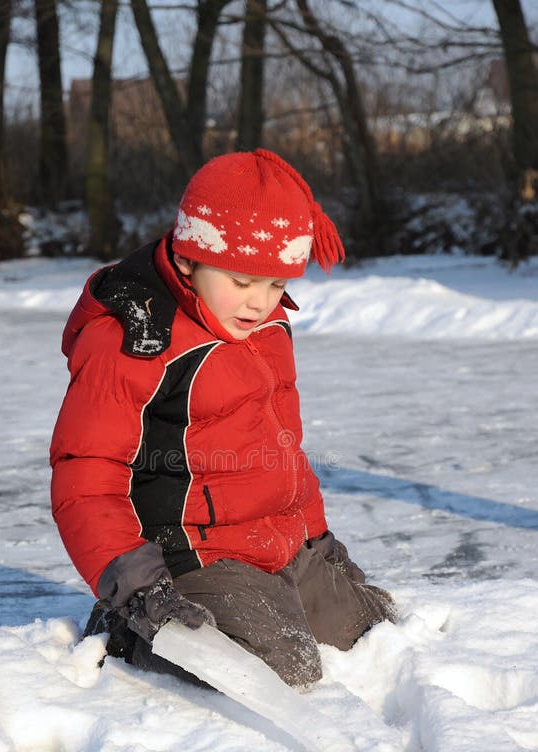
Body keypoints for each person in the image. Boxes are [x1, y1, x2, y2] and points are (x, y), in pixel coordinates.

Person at [50, 148, 396, 688]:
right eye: (242, 282)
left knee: (375, 634)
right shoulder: (135, 339)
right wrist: (136, 583)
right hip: (187, 558)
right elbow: (85, 473)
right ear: (190, 258)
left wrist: (316, 538)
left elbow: (281, 452)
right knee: (280, 668)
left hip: (273, 544)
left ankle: (290, 590)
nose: (261, 303)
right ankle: (126, 627)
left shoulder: (266, 324)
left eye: (277, 284)